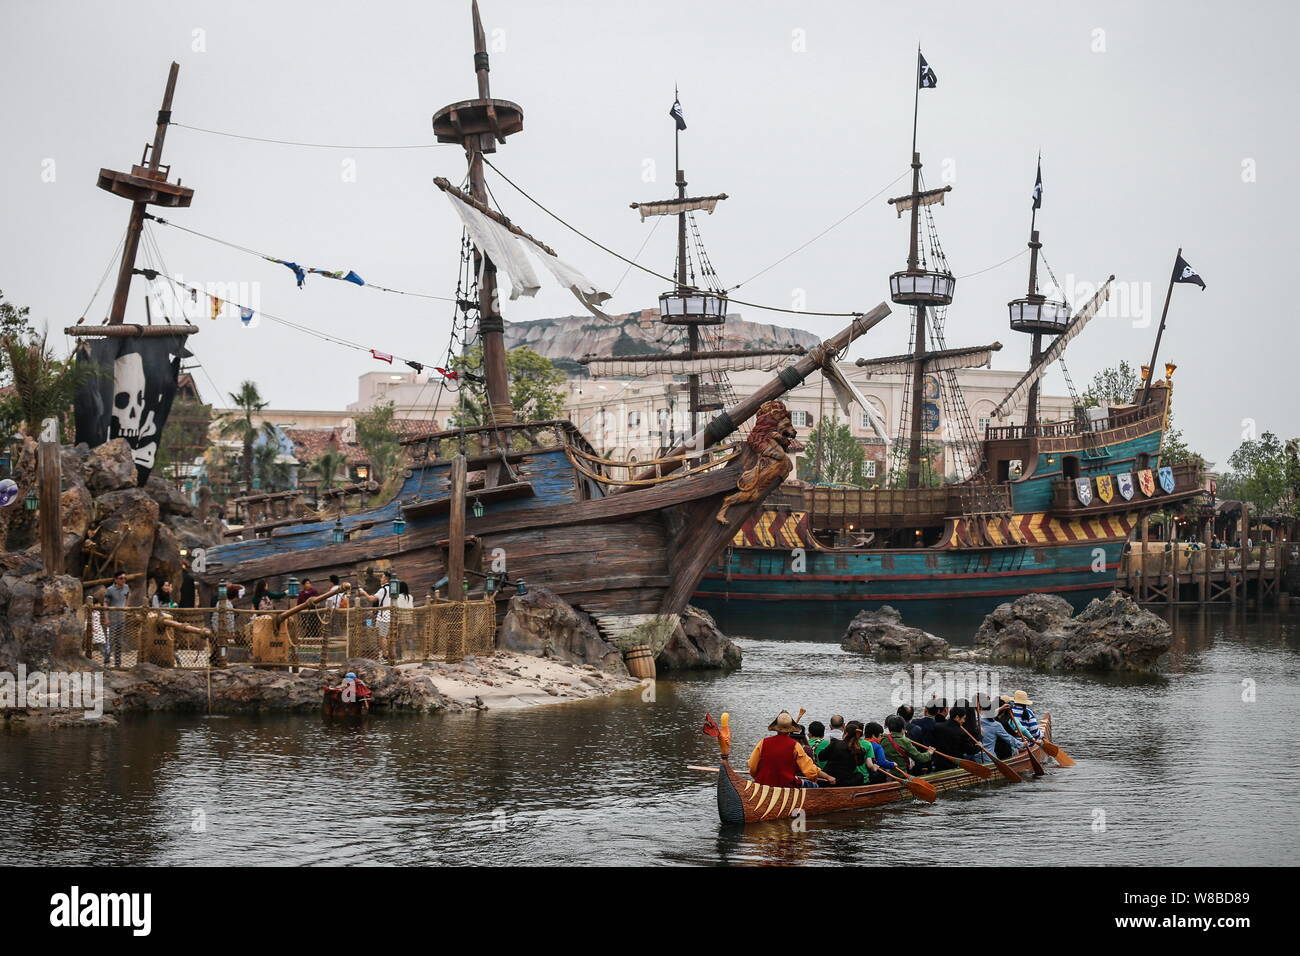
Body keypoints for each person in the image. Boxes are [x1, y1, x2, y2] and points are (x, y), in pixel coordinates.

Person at [748, 711, 835, 788]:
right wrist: (828, 777)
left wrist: (759, 777)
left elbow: (752, 767)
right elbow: (810, 770)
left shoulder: (763, 742)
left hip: (762, 784)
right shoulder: (795, 746)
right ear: (790, 729)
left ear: (776, 728)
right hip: (787, 785)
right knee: (815, 786)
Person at [818, 720, 875, 787]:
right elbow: (860, 763)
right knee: (860, 776)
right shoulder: (860, 750)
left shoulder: (835, 743)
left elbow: (821, 757)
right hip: (845, 781)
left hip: (829, 780)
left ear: (846, 734)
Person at [928, 706, 979, 771]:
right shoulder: (961, 733)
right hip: (953, 766)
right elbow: (970, 750)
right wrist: (979, 746)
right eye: (963, 718)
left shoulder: (937, 727)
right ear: (957, 718)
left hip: (938, 764)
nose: (964, 721)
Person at [975, 693, 1024, 761]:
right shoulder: (995, 725)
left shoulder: (975, 720)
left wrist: (1001, 708)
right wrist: (1022, 744)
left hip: (974, 758)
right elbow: (1009, 739)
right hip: (988, 759)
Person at [103, 571, 130, 667]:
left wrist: (126, 609)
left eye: (125, 578)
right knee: (110, 640)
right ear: (115, 580)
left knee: (119, 640)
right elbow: (105, 603)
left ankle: (118, 663)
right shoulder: (110, 590)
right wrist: (106, 618)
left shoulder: (126, 588)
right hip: (112, 618)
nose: (123, 580)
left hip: (121, 619)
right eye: (121, 578)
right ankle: (106, 662)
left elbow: (126, 598)